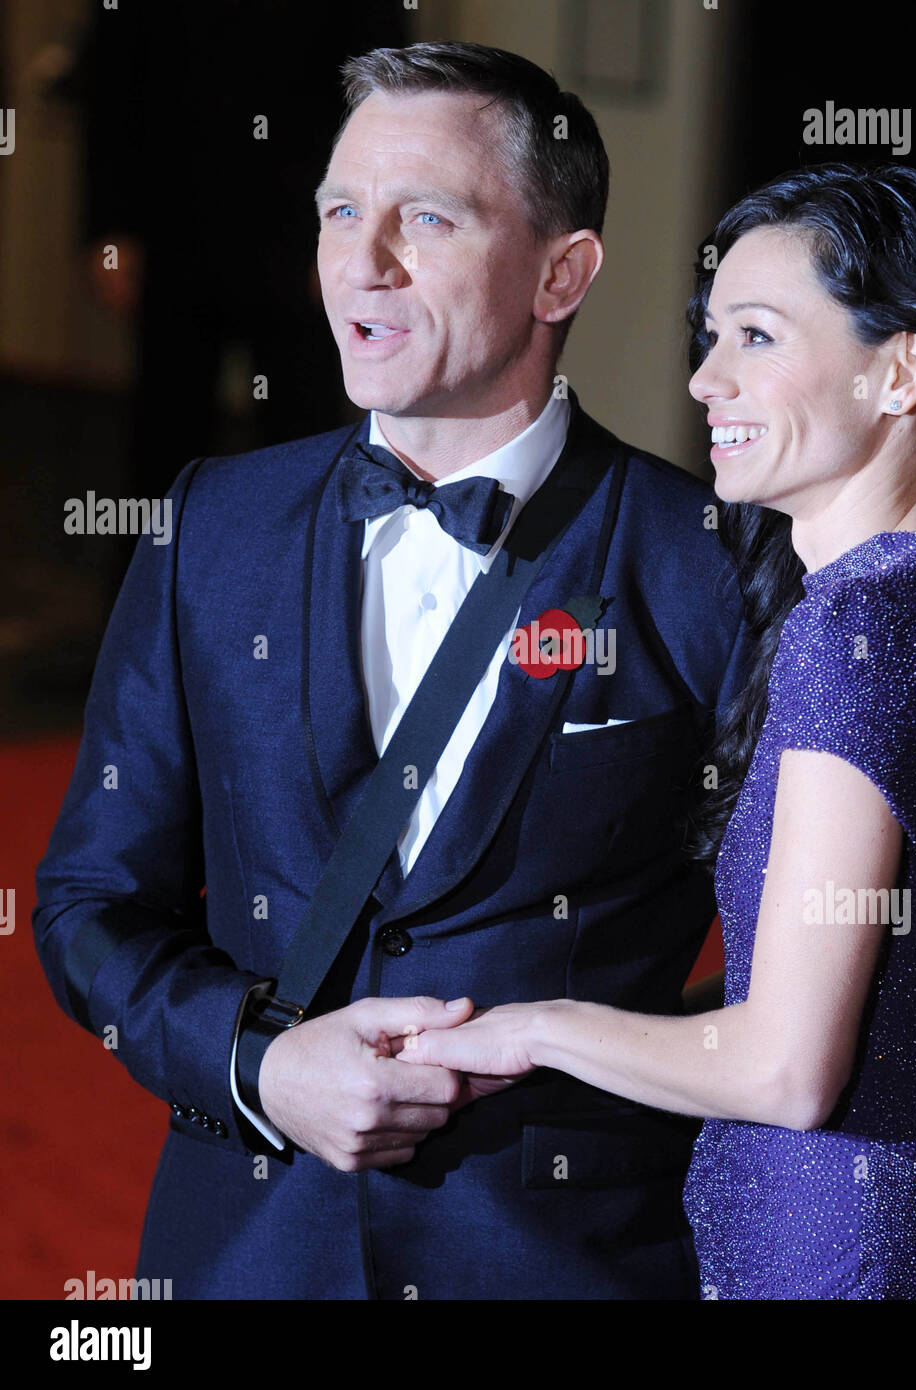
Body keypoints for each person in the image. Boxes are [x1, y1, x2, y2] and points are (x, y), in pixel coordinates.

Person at [32, 43, 754, 1300]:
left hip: (568, 1265)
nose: (362, 265)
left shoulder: (709, 567)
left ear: (560, 272)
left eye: (427, 218)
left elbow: (800, 992)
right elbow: (86, 906)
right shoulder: (214, 524)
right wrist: (258, 1064)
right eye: (339, 213)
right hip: (242, 1255)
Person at [395, 164, 916, 1299]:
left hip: (809, 1258)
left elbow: (790, 1071)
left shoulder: (853, 627)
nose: (708, 380)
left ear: (901, 369)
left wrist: (537, 1029)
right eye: (712, 339)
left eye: (756, 337)